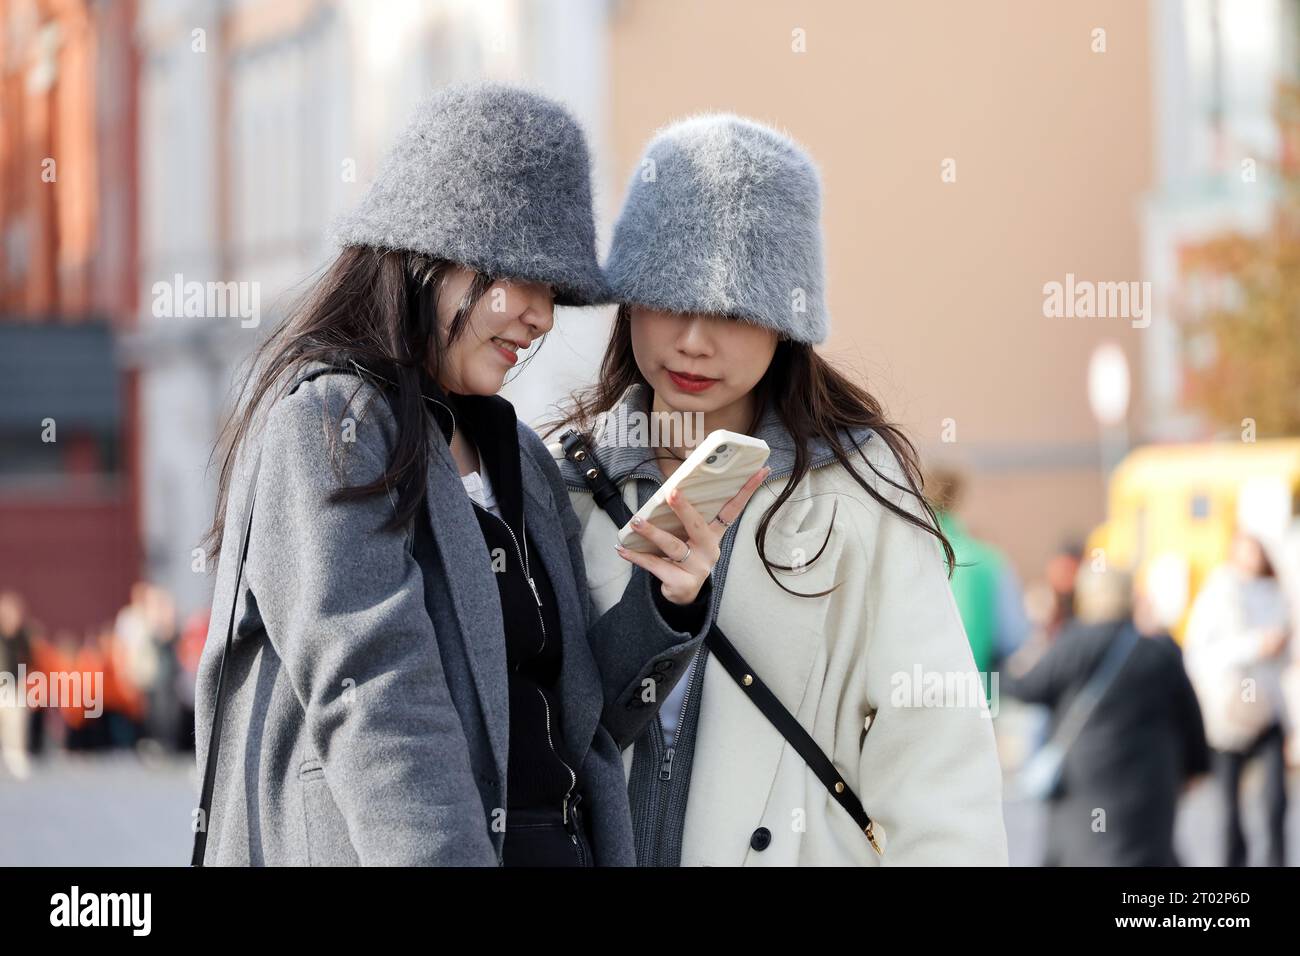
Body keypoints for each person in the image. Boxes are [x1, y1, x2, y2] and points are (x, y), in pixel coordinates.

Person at [194, 84, 763, 866]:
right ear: (430, 251)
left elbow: (581, 722)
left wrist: (667, 602)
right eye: (522, 279)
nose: (540, 316)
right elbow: (377, 701)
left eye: (554, 294)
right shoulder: (329, 426)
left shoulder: (518, 456)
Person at [547, 114, 1008, 865]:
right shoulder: (559, 486)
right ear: (629, 296)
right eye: (668, 297)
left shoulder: (855, 491)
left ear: (786, 321)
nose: (694, 339)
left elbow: (935, 756)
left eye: (733, 309)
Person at [1004, 565, 1210, 866]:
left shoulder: (1073, 643)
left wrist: (1012, 660)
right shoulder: (1160, 651)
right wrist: (1196, 767)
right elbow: (1191, 717)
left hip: (1086, 779)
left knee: (1086, 850)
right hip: (1150, 781)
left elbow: (1026, 687)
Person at [1184, 530, 1291, 866]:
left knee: (1276, 800)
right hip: (1226, 716)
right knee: (1229, 805)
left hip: (1267, 709)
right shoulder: (1217, 595)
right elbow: (1199, 654)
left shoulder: (1275, 594)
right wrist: (1253, 646)